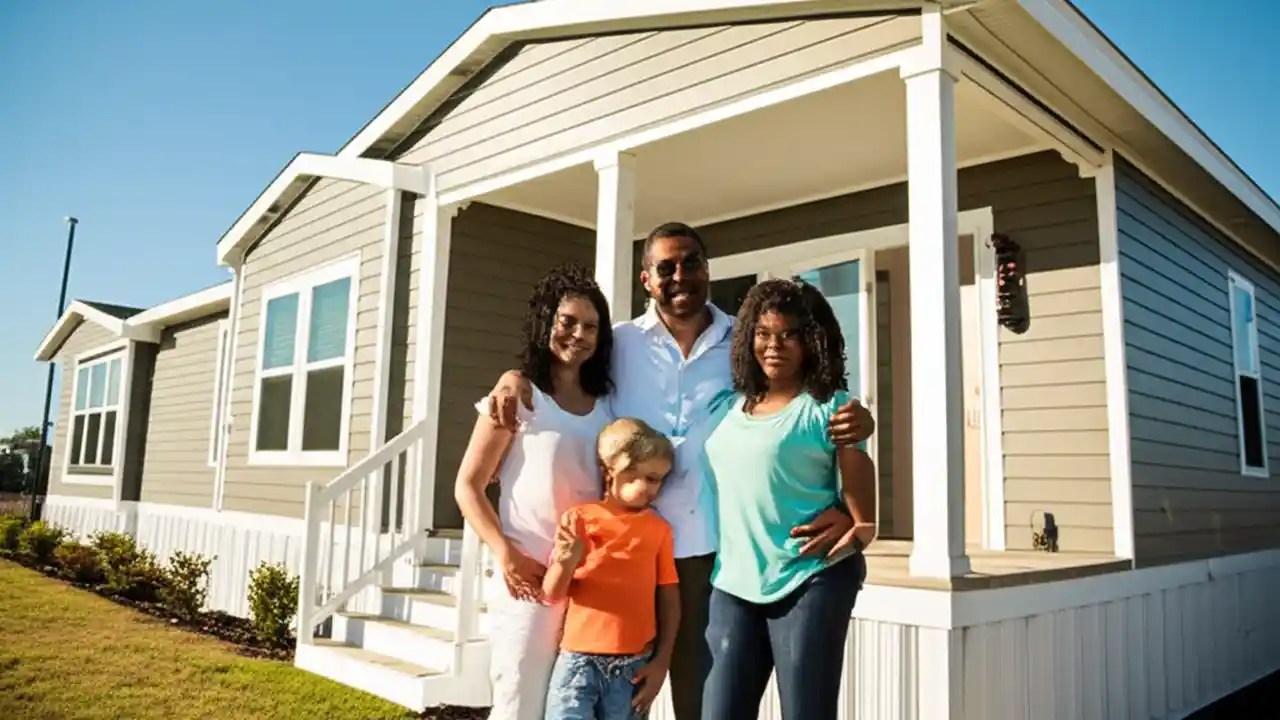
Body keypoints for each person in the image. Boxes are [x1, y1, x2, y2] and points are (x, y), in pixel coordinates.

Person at [487, 222, 876, 720]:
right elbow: (561, 368)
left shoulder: (746, 338)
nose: (679, 275)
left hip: (708, 551)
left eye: (691, 262)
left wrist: (850, 502)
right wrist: (513, 375)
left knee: (701, 703)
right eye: (665, 267)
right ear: (646, 278)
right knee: (606, 698)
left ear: (707, 269)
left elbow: (802, 408)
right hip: (619, 549)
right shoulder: (618, 342)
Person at [700, 279, 877, 720]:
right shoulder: (726, 406)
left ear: (812, 340)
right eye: (763, 334)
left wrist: (855, 523)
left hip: (810, 578)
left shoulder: (830, 407)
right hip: (735, 580)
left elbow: (864, 516)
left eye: (789, 334)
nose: (773, 346)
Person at [454, 262, 615, 720]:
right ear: (546, 321)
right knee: (519, 705)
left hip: (590, 586)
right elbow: (468, 485)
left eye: (590, 326)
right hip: (527, 583)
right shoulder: (521, 396)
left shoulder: (607, 405)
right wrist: (504, 553)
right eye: (567, 322)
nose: (578, 334)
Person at [541, 418, 681, 720]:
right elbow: (551, 594)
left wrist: (661, 661)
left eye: (655, 479)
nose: (645, 487)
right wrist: (566, 562)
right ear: (608, 472)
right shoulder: (579, 518)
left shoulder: (659, 530)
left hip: (631, 669)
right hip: (577, 665)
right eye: (634, 476)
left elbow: (669, 597)